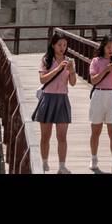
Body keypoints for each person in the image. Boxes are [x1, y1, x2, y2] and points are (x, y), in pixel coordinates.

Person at [33, 33, 77, 173]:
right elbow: (42, 80)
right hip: (48, 98)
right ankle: (44, 163)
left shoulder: (69, 61)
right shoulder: (46, 60)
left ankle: (62, 166)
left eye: (64, 45)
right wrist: (58, 69)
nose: (62, 48)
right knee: (46, 135)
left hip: (62, 99)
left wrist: (72, 71)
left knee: (62, 136)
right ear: (53, 45)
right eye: (59, 45)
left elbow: (73, 83)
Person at [86, 36, 112, 174]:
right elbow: (93, 80)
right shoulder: (96, 61)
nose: (111, 50)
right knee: (95, 131)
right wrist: (106, 70)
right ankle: (94, 158)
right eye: (109, 47)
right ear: (103, 46)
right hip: (99, 94)